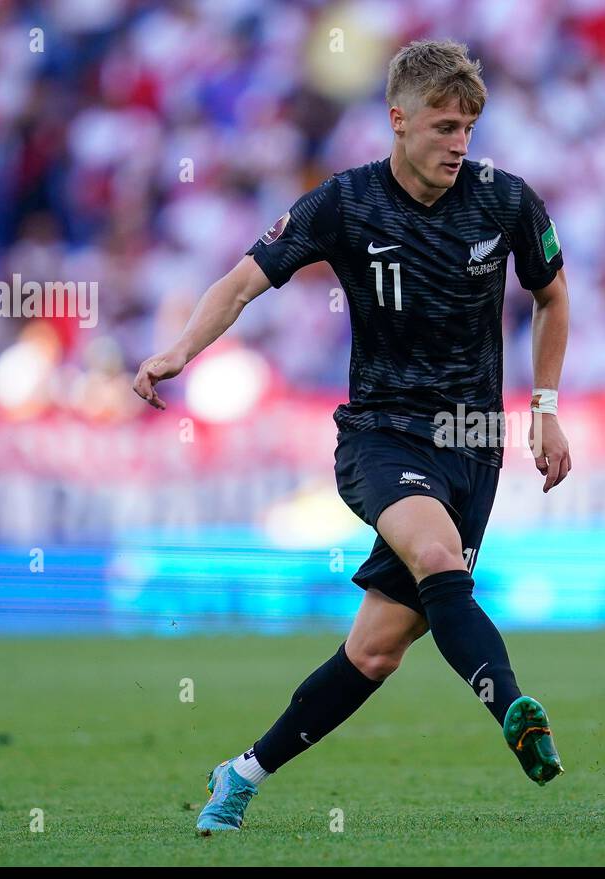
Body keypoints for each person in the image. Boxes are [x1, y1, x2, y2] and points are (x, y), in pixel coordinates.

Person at [133, 40, 572, 832]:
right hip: (381, 438)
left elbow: (552, 295)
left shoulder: (508, 202)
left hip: (476, 445)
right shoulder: (344, 203)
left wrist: (544, 404)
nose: (458, 143)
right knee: (438, 558)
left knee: (374, 651)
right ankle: (515, 709)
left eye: (469, 127)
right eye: (443, 126)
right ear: (398, 121)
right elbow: (241, 283)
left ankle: (241, 774)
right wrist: (179, 351)